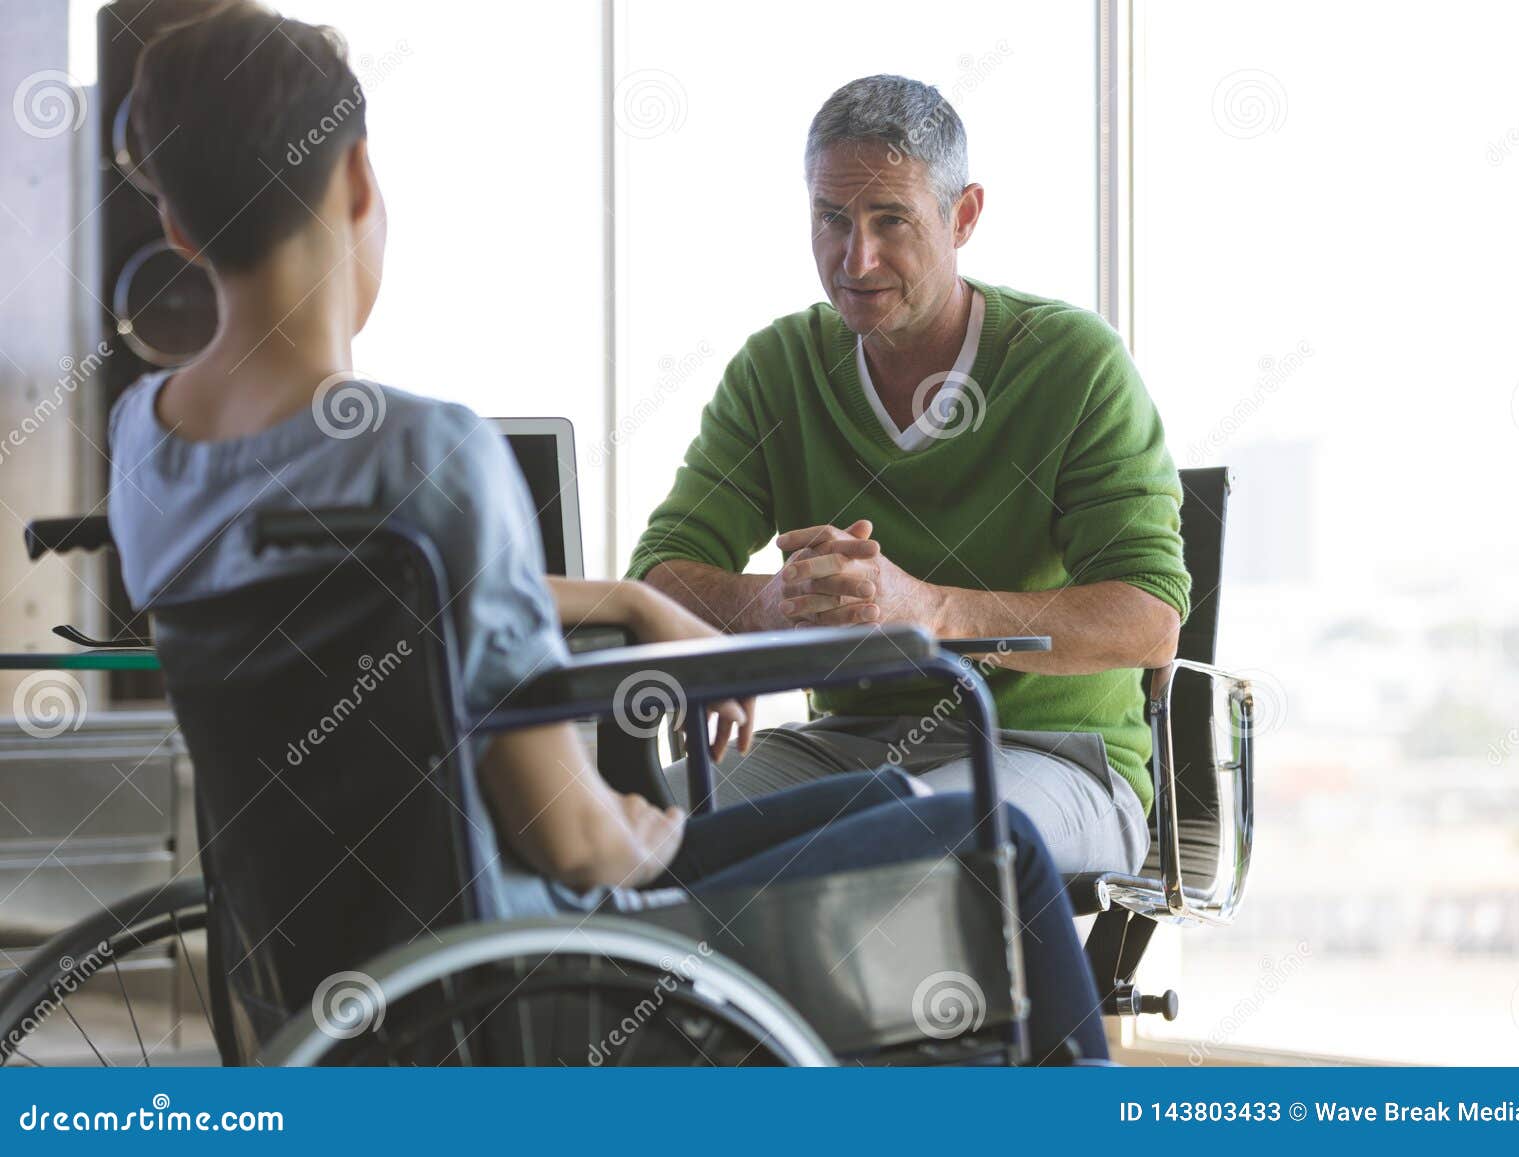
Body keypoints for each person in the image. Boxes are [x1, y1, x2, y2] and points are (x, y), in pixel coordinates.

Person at [107, 5, 1106, 1063]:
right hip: (548, 966)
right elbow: (579, 840)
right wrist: (663, 830)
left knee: (871, 794)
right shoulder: (429, 453)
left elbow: (360, 597)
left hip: (328, 955)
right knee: (991, 838)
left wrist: (623, 598)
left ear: (176, 225)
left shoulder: (146, 441)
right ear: (358, 181)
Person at [629, 75, 1191, 876]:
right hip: (845, 750)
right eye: (832, 219)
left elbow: (1148, 620)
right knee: (629, 831)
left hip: (1060, 760)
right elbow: (656, 576)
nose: (856, 258)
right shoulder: (777, 368)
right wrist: (765, 608)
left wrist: (928, 609)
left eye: (891, 219)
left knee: (902, 849)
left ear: (962, 216)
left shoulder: (1073, 363)